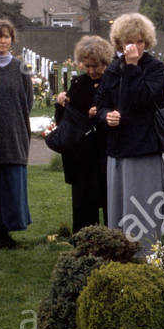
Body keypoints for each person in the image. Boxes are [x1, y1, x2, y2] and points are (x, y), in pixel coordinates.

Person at [95, 13, 164, 253]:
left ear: (146, 42)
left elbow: (146, 100)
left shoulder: (155, 68)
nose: (133, 47)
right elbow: (100, 103)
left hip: (143, 148)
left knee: (142, 208)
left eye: (138, 41)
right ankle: (119, 256)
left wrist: (133, 67)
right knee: (118, 207)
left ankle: (146, 255)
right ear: (119, 43)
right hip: (117, 148)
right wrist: (106, 115)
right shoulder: (112, 70)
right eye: (128, 41)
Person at [54, 34, 111, 232]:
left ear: (105, 62)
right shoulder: (78, 84)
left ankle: (113, 242)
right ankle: (84, 243)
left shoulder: (112, 82)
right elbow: (65, 120)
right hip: (82, 156)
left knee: (109, 201)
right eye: (87, 66)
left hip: (105, 151)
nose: (91, 70)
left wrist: (102, 112)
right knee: (83, 204)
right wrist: (61, 104)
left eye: (95, 66)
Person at [0, 18, 33, 248]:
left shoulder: (20, 67)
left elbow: (28, 100)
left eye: (6, 36)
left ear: (12, 39)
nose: (3, 40)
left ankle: (7, 230)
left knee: (11, 184)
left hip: (14, 132)